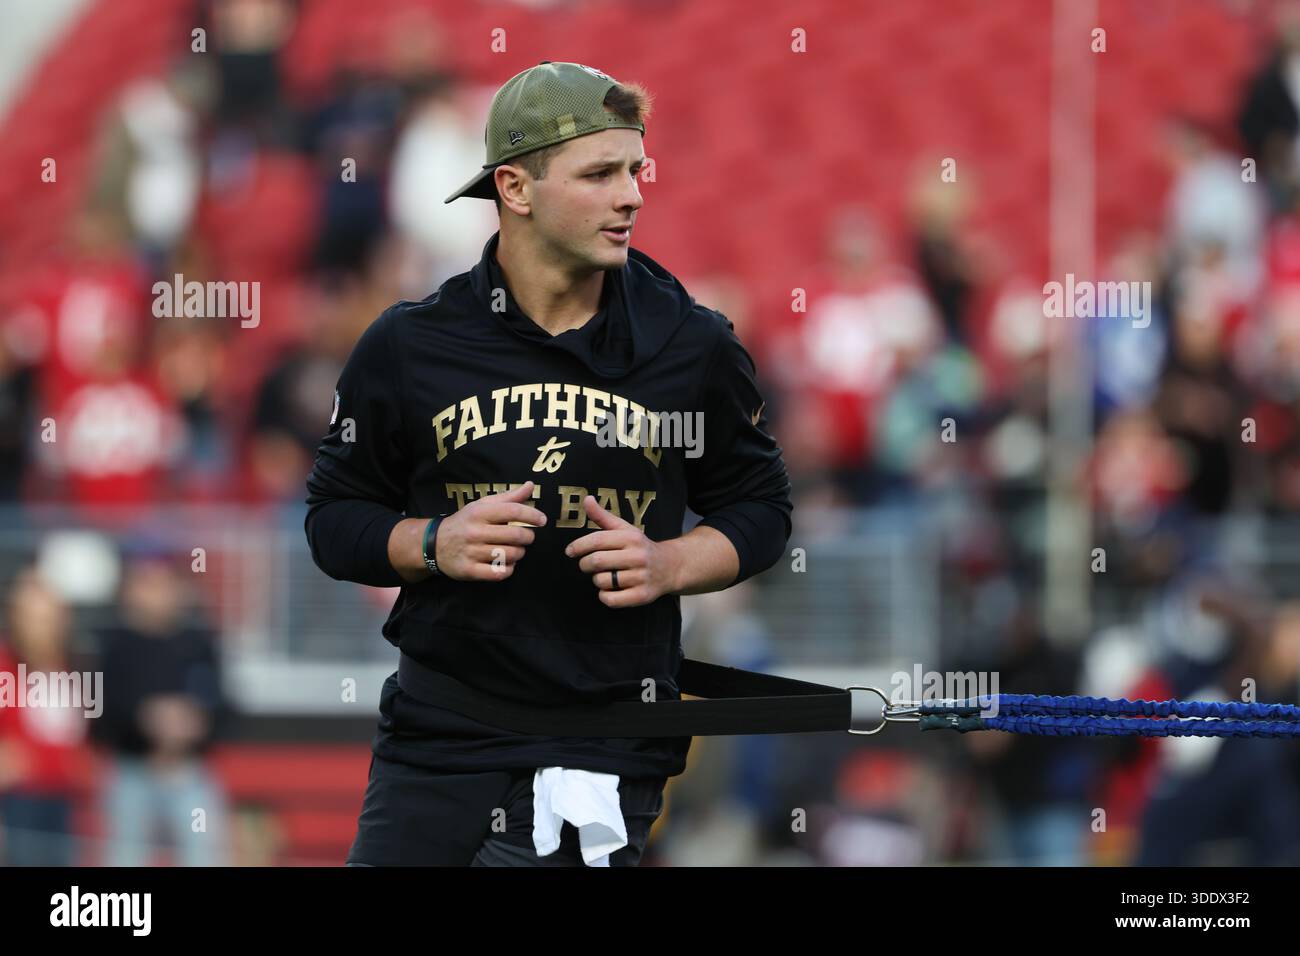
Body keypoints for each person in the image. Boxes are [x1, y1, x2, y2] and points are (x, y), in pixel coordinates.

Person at [304, 61, 793, 866]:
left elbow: (763, 510)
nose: (632, 195)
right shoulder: (408, 346)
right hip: (438, 736)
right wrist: (432, 544)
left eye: (635, 170)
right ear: (515, 189)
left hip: (604, 741)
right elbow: (333, 520)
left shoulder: (692, 345)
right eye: (599, 173)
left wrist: (671, 562)